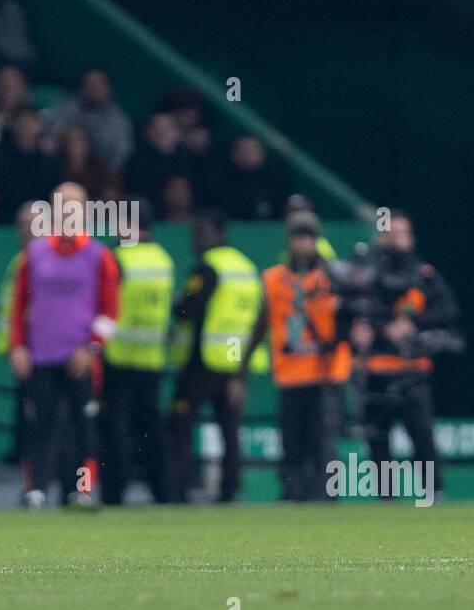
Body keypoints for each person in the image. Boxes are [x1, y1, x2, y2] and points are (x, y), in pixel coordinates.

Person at [6, 182, 119, 507]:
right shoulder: (34, 254)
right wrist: (17, 346)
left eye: (75, 206)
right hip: (41, 356)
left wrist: (91, 348)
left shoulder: (100, 257)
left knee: (83, 427)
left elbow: (110, 313)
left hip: (81, 359)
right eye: (62, 206)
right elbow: (18, 306)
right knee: (38, 424)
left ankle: (81, 490)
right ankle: (36, 489)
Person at [241, 209, 351, 502]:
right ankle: (292, 494)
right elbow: (260, 324)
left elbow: (351, 318)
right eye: (298, 237)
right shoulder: (274, 278)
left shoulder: (333, 276)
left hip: (325, 371)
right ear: (289, 240)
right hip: (290, 373)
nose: (303, 244)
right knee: (292, 441)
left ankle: (326, 496)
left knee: (324, 441)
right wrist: (241, 368)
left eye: (308, 237)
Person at [348, 211, 459, 499]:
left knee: (421, 435)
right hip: (373, 370)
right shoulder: (364, 276)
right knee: (377, 439)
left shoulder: (423, 275)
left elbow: (448, 310)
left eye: (401, 234)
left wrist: (411, 323)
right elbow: (343, 310)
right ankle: (386, 500)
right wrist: (356, 330)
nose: (394, 240)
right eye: (389, 234)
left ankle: (433, 493)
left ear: (410, 238)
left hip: (411, 370)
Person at [166, 209, 265, 503]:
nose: (195, 240)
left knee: (179, 425)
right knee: (230, 429)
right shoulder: (246, 269)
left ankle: (181, 488)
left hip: (203, 361)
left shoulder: (208, 268)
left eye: (201, 233)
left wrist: (178, 303)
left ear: (218, 235)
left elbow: (188, 310)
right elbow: (260, 321)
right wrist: (241, 373)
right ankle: (230, 489)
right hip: (234, 364)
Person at [99, 200, 174, 505]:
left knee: (115, 430)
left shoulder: (117, 257)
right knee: (152, 431)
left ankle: (115, 495)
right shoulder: (163, 259)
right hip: (152, 358)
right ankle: (164, 493)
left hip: (118, 356)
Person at [0, 202, 38, 489]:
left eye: (30, 223)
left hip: (42, 352)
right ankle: (33, 485)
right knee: (28, 417)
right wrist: (13, 346)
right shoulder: (22, 260)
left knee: (41, 421)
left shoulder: (42, 261)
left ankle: (42, 486)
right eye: (21, 224)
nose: (24, 230)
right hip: (26, 351)